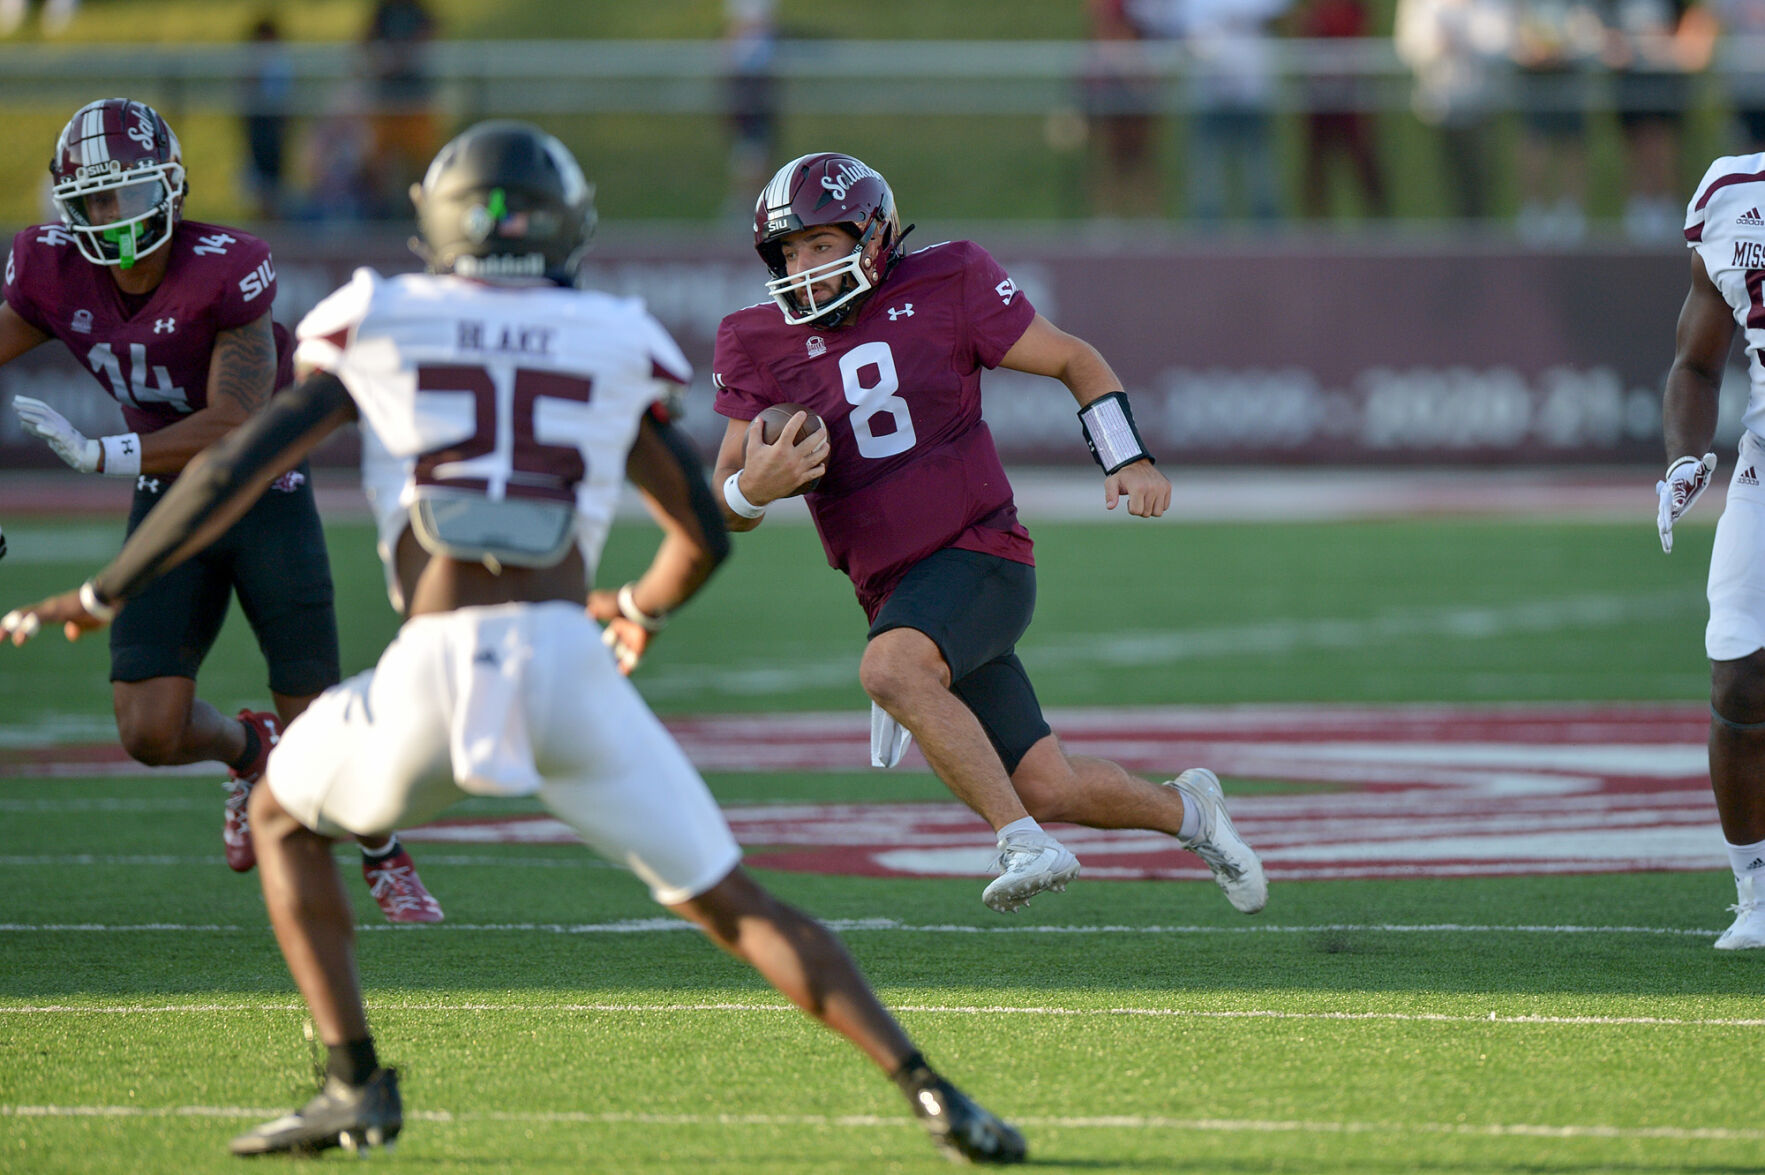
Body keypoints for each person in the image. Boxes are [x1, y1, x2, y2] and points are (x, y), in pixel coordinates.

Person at [0, 121, 1027, 1164]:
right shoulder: (606, 334)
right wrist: (640, 609)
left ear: (438, 226)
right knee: (735, 903)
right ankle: (934, 1092)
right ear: (565, 230)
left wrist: (101, 590)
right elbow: (703, 532)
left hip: (434, 669)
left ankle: (354, 1080)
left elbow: (229, 467)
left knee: (280, 814)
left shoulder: (382, 318)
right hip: (567, 669)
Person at [709, 152, 1268, 916]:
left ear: (873, 236)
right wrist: (753, 487)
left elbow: (1072, 358)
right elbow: (724, 499)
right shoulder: (754, 338)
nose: (802, 266)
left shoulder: (948, 279)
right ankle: (1193, 812)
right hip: (892, 588)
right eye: (789, 250)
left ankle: (1021, 842)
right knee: (1049, 784)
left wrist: (1127, 456)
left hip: (980, 551)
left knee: (889, 669)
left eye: (820, 244)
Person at [1, 97, 441, 924]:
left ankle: (383, 848)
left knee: (316, 722)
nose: (119, 218)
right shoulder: (49, 269)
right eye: (99, 199)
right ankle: (248, 751)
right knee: (148, 729)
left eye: (134, 193)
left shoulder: (225, 265)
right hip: (168, 496)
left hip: (260, 487)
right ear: (70, 205)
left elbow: (234, 423)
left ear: (172, 186)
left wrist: (104, 454)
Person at [1657, 149, 1765, 950]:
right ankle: (1755, 892)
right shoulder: (1731, 192)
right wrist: (1682, 457)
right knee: (1734, 666)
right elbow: (1695, 363)